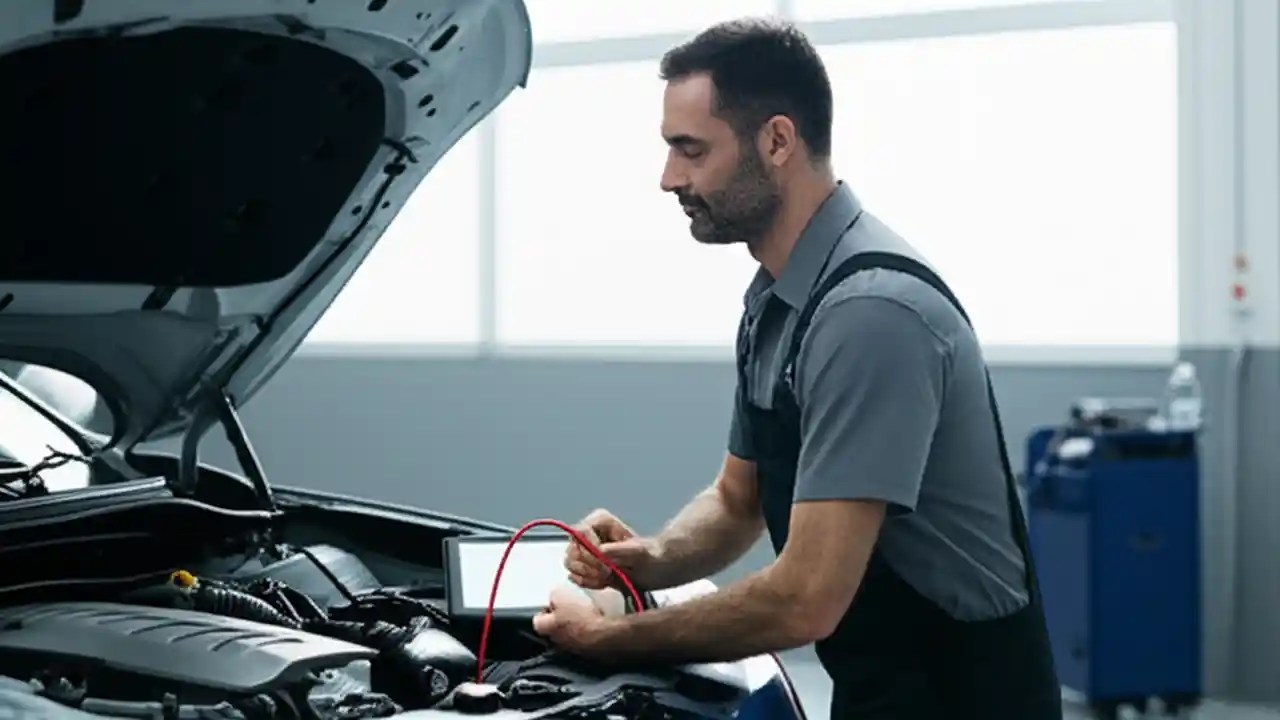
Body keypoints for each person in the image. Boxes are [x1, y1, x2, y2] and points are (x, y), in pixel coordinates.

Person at [531, 17, 1062, 720]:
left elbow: (805, 598)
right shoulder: (778, 301)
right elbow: (737, 500)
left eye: (690, 150)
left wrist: (609, 640)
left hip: (963, 698)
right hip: (880, 689)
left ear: (777, 141)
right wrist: (646, 559)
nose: (668, 178)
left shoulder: (870, 314)